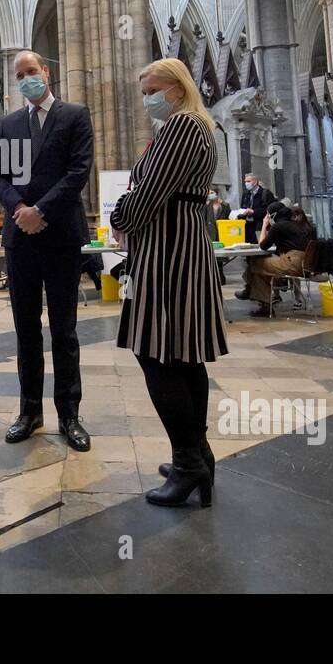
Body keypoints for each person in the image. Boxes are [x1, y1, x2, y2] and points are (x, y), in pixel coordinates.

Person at [111, 58, 227, 507]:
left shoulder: (182, 127)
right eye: (144, 93)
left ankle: (188, 463)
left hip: (168, 254)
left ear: (177, 88)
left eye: (153, 90)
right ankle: (197, 455)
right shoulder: (197, 126)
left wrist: (119, 216)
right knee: (182, 356)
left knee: (156, 353)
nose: (148, 100)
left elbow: (147, 196)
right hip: (179, 247)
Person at [0, 50, 95, 453]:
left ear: (46, 72)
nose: (26, 79)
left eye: (31, 71)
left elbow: (78, 171)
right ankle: (29, 411)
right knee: (26, 330)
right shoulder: (10, 124)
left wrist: (41, 211)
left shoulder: (74, 116)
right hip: (21, 238)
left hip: (60, 234)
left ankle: (69, 415)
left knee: (64, 330)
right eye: (20, 75)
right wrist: (20, 209)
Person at [236, 200, 312, 317]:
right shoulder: (296, 224)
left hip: (292, 264)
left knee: (255, 261)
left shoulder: (278, 226)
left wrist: (264, 225)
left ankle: (254, 293)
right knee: (261, 268)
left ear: (273, 215)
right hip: (307, 264)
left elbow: (262, 245)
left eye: (267, 215)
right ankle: (255, 295)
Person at [233, 172, 276, 241]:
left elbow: (269, 210)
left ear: (255, 182)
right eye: (245, 182)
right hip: (247, 227)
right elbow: (243, 207)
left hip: (260, 227)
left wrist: (253, 211)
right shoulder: (246, 194)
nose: (246, 183)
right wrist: (240, 213)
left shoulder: (265, 193)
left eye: (248, 181)